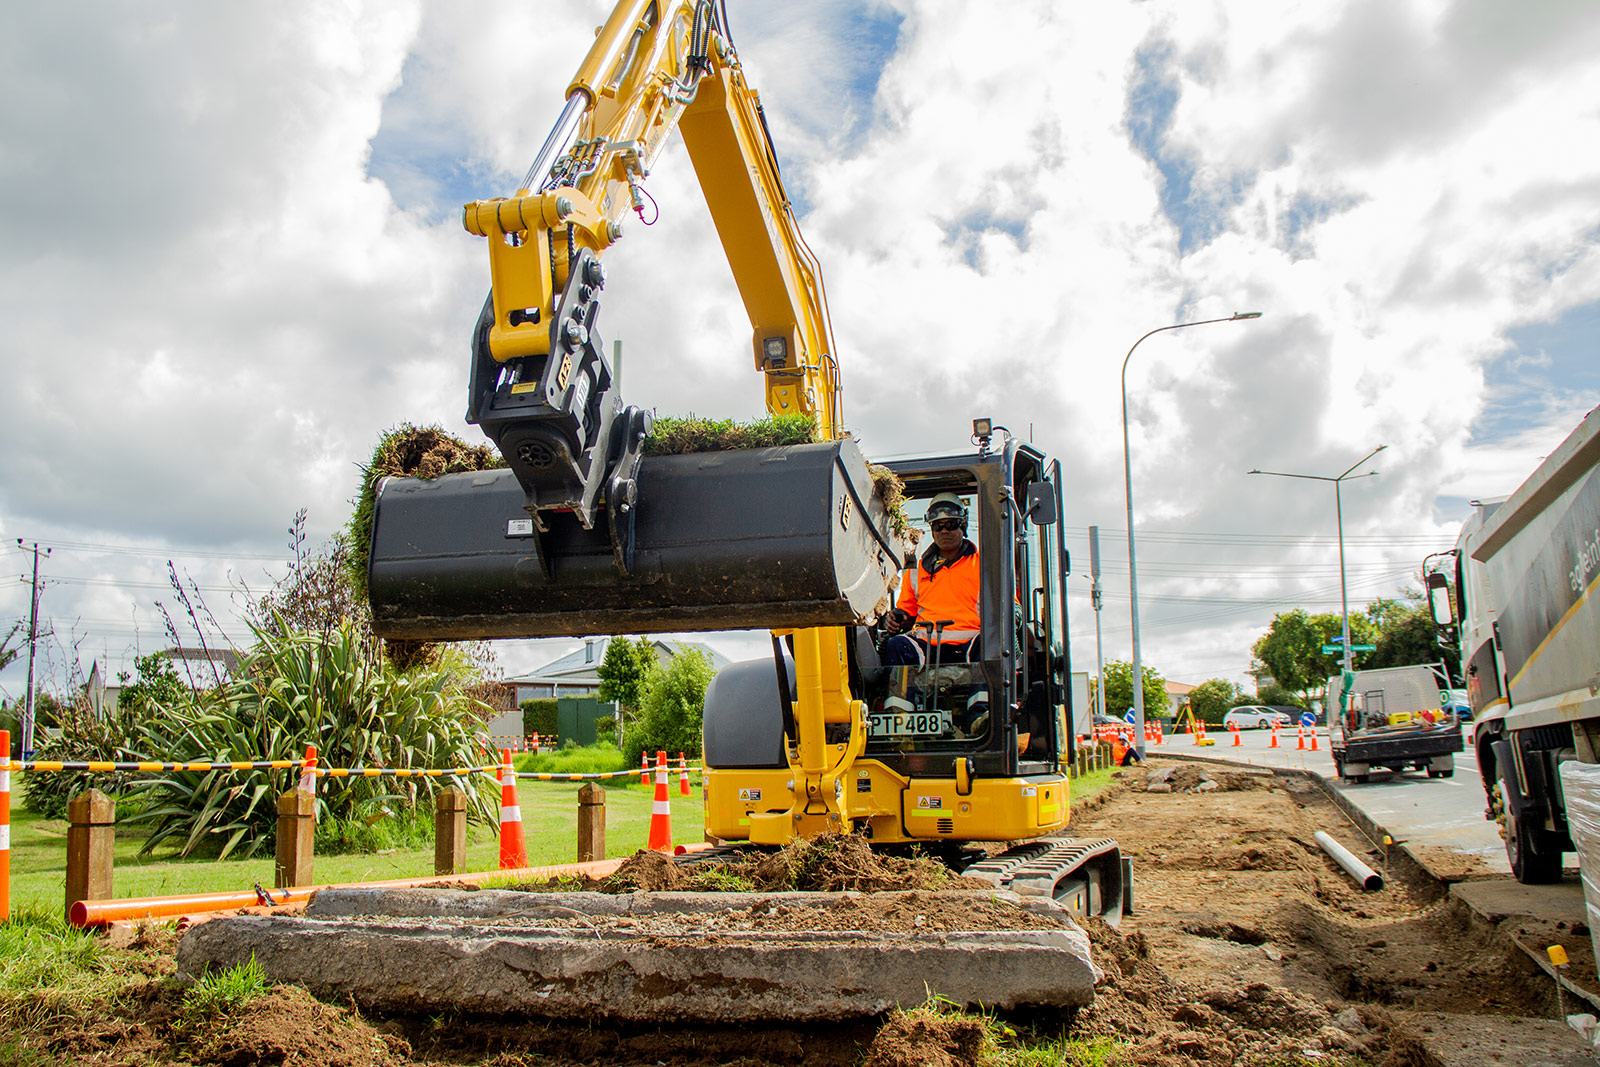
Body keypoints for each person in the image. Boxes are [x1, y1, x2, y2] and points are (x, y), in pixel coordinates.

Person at [880, 492, 980, 667]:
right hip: (926, 647)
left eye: (951, 524)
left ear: (963, 525)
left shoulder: (983, 565)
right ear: (932, 531)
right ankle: (898, 695)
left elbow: (1008, 605)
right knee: (896, 645)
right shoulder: (916, 571)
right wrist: (897, 619)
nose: (944, 531)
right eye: (938, 526)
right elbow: (907, 611)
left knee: (993, 645)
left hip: (972, 644)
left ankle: (982, 695)